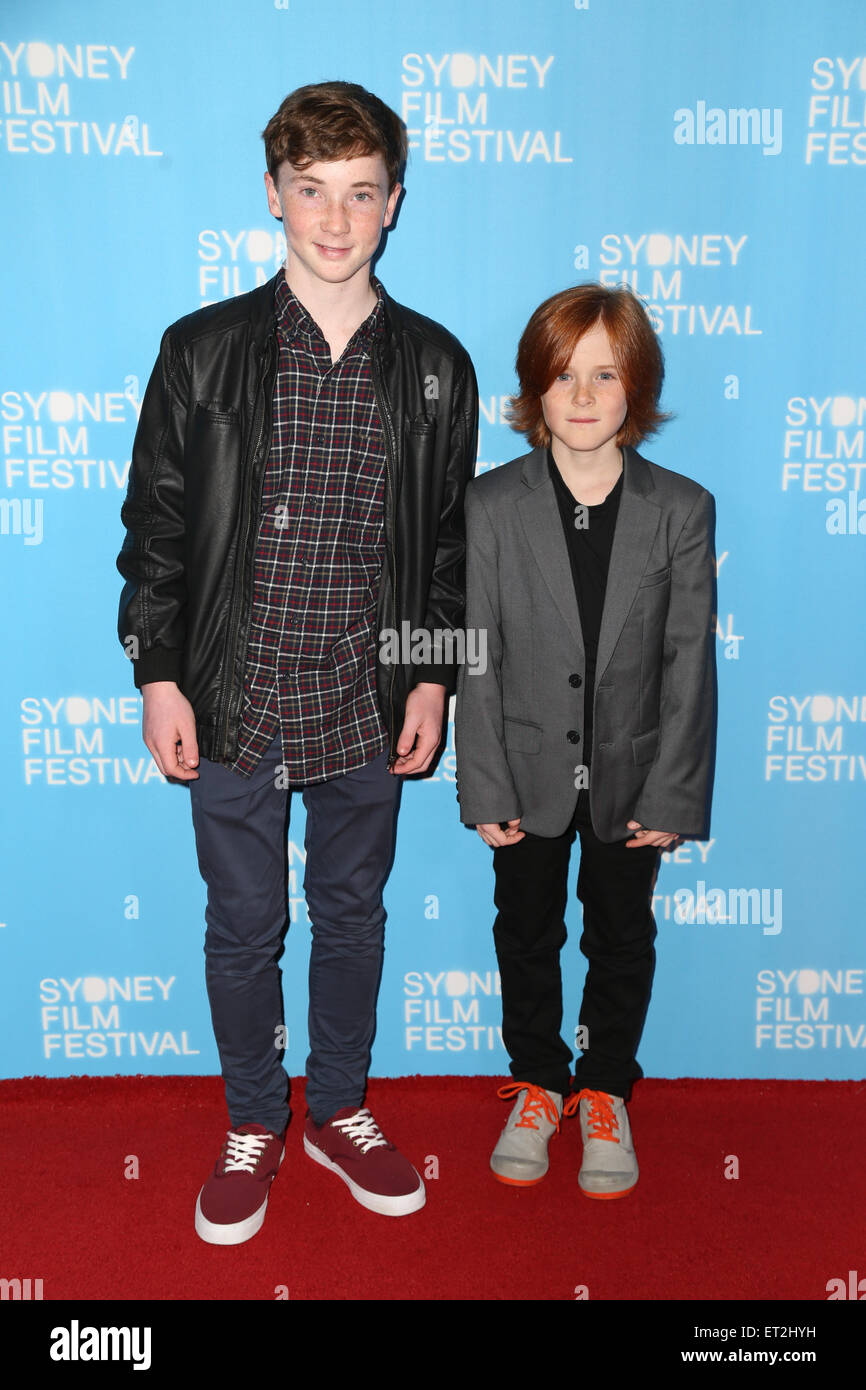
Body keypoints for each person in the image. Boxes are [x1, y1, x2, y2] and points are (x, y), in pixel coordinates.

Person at [117, 81, 478, 1243]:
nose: (335, 218)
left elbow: (446, 545)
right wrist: (157, 673)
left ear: (393, 206)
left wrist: (432, 678)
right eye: (312, 190)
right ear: (272, 194)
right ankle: (251, 1118)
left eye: (360, 193)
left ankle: (340, 1109)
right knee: (241, 925)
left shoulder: (436, 366)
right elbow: (156, 530)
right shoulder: (202, 350)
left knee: (354, 912)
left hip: (367, 692)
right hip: (234, 688)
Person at [455, 283, 715, 1198]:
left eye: (605, 374)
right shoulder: (490, 506)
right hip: (525, 771)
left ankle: (603, 1089)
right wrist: (483, 784)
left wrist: (673, 793)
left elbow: (689, 664)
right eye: (564, 373)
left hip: (631, 779)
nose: (583, 393)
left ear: (635, 387)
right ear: (535, 386)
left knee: (620, 936)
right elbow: (474, 656)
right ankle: (536, 1081)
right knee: (525, 931)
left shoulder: (681, 508)